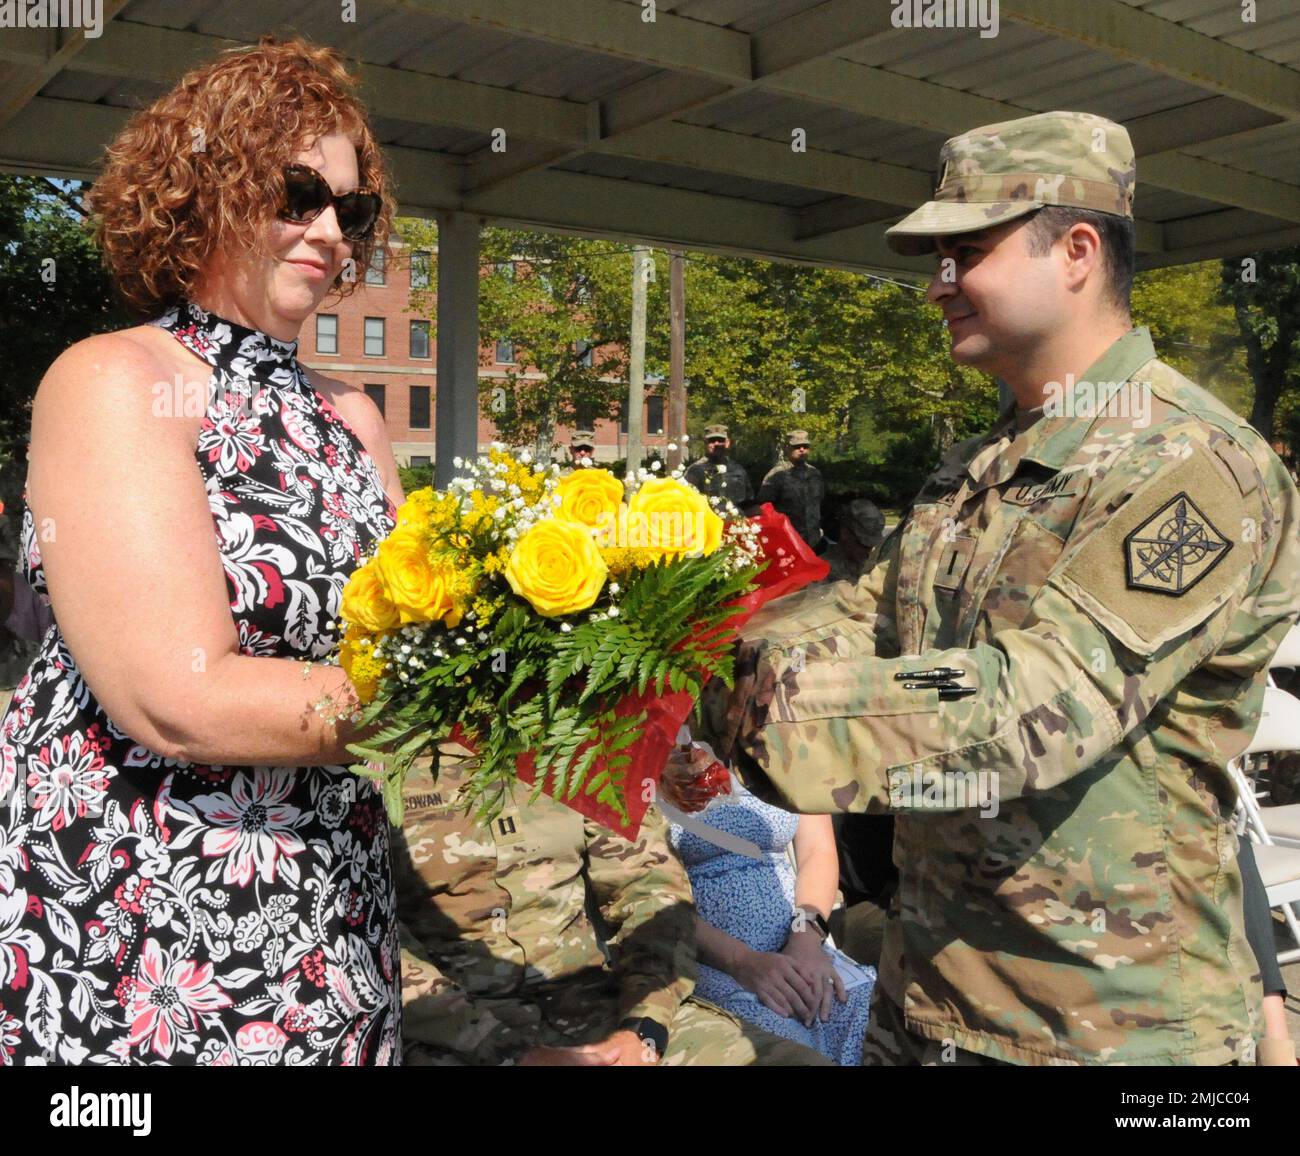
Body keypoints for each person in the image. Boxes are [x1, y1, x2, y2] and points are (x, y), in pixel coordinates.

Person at [682, 110, 1300, 1066]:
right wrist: (689, 655)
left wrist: (753, 707)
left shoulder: (1193, 464)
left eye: (965, 251)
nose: (937, 286)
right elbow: (859, 620)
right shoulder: (976, 469)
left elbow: (1026, 701)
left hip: (1109, 1034)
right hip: (929, 999)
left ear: (1078, 251)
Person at [0, 37, 406, 1065]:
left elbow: (419, 631)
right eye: (296, 191)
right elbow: (176, 700)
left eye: (348, 209)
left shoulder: (354, 415)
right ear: (202, 189)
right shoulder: (114, 379)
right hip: (146, 918)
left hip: (333, 901)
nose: (325, 229)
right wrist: (466, 711)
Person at [394, 753, 831, 1066]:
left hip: (603, 1011)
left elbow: (652, 890)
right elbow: (377, 941)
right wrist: (507, 1051)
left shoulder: (571, 744)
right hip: (456, 1037)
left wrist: (644, 1023)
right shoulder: (377, 760)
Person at [666, 780, 875, 1066]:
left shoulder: (781, 744)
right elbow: (650, 893)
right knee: (787, 1052)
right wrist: (741, 962)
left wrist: (805, 940)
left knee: (878, 1021)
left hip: (803, 946)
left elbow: (818, 852)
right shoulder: (643, 760)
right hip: (711, 963)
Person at [758, 431, 825, 551]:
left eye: (805, 446)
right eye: (797, 447)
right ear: (787, 448)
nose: (802, 449)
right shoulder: (776, 475)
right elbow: (764, 508)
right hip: (788, 540)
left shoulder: (815, 474)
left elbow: (819, 503)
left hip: (814, 542)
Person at [684, 423, 753, 510]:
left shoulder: (738, 469)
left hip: (736, 521)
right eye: (712, 441)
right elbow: (686, 502)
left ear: (727, 443)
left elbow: (749, 500)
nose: (716, 444)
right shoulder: (695, 470)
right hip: (708, 521)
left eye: (720, 440)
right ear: (706, 443)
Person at [821, 498, 886, 584]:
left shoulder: (877, 565)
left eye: (873, 545)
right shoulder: (822, 569)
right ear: (845, 533)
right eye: (863, 544)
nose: (869, 552)